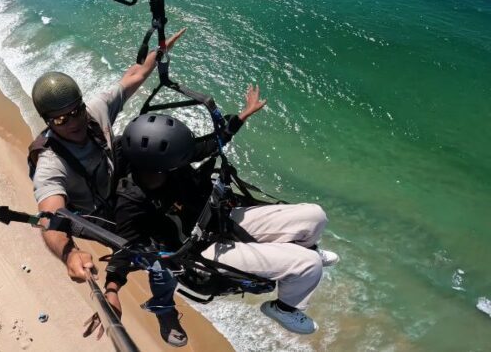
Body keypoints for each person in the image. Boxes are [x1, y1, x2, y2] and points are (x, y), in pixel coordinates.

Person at [103, 87, 339, 339]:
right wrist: (112, 288)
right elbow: (124, 248)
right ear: (160, 164)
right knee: (307, 266)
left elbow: (209, 145)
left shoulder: (170, 162)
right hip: (201, 251)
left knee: (314, 216)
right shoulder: (131, 201)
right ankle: (284, 308)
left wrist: (241, 116)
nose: (187, 158)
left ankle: (307, 248)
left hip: (218, 219)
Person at [29, 28, 187, 284]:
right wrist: (69, 254)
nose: (73, 122)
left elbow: (133, 76)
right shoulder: (51, 163)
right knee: (146, 242)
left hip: (113, 180)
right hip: (93, 212)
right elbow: (50, 218)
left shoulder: (94, 112)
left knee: (141, 136)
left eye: (76, 110)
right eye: (60, 119)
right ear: (48, 121)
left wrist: (158, 53)